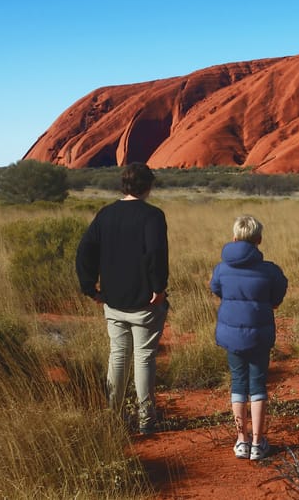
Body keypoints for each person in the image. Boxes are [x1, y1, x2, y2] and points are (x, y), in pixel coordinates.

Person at [76, 162, 169, 435]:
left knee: (117, 357)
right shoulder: (152, 216)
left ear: (124, 185)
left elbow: (84, 251)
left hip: (113, 301)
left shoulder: (106, 215)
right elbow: (155, 253)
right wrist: (158, 287)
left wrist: (90, 288)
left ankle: (112, 415)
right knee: (143, 358)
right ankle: (146, 419)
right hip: (145, 302)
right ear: (148, 186)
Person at [210, 214, 288, 461]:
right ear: (259, 240)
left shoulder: (221, 268)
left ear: (234, 238)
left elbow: (216, 289)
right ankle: (257, 442)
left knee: (238, 384)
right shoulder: (270, 270)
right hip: (259, 335)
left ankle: (241, 440)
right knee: (258, 386)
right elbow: (277, 297)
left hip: (231, 335)